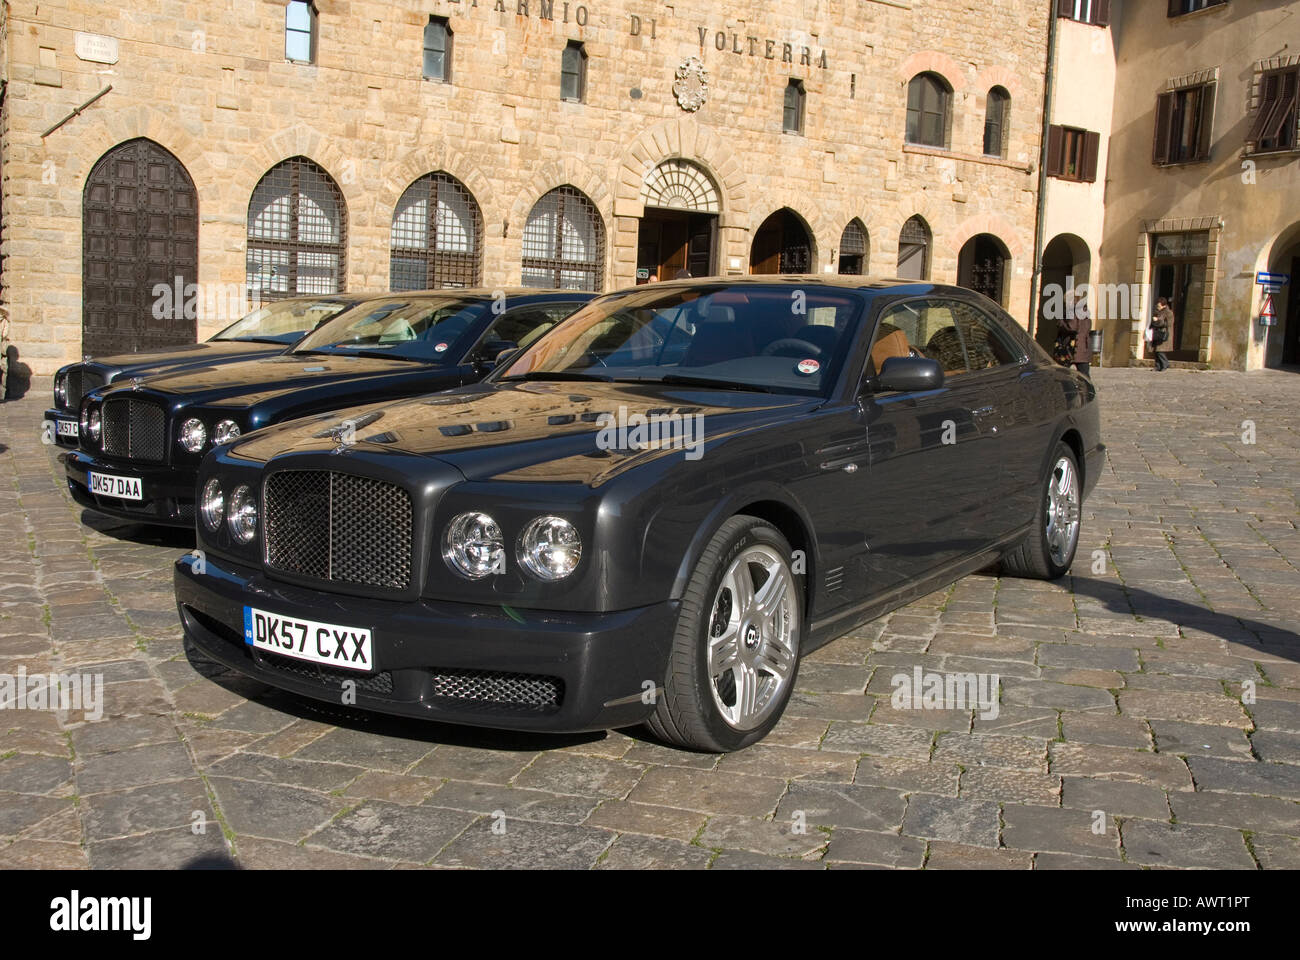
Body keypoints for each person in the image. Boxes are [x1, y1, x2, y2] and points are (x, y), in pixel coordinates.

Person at [1061, 288, 1092, 377]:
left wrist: (1061, 323)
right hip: (1084, 348)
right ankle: (1088, 390)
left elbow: (1072, 327)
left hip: (1072, 348)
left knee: (1061, 374)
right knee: (1085, 376)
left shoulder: (1072, 310)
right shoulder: (1084, 310)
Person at [1149, 297, 1172, 372]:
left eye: (1159, 306)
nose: (1157, 307)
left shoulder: (1168, 313)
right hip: (1156, 333)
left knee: (1160, 351)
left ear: (1164, 305)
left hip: (1163, 333)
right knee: (1156, 351)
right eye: (1157, 306)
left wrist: (1158, 320)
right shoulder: (1157, 312)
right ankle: (1157, 366)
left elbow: (1168, 324)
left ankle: (1165, 364)